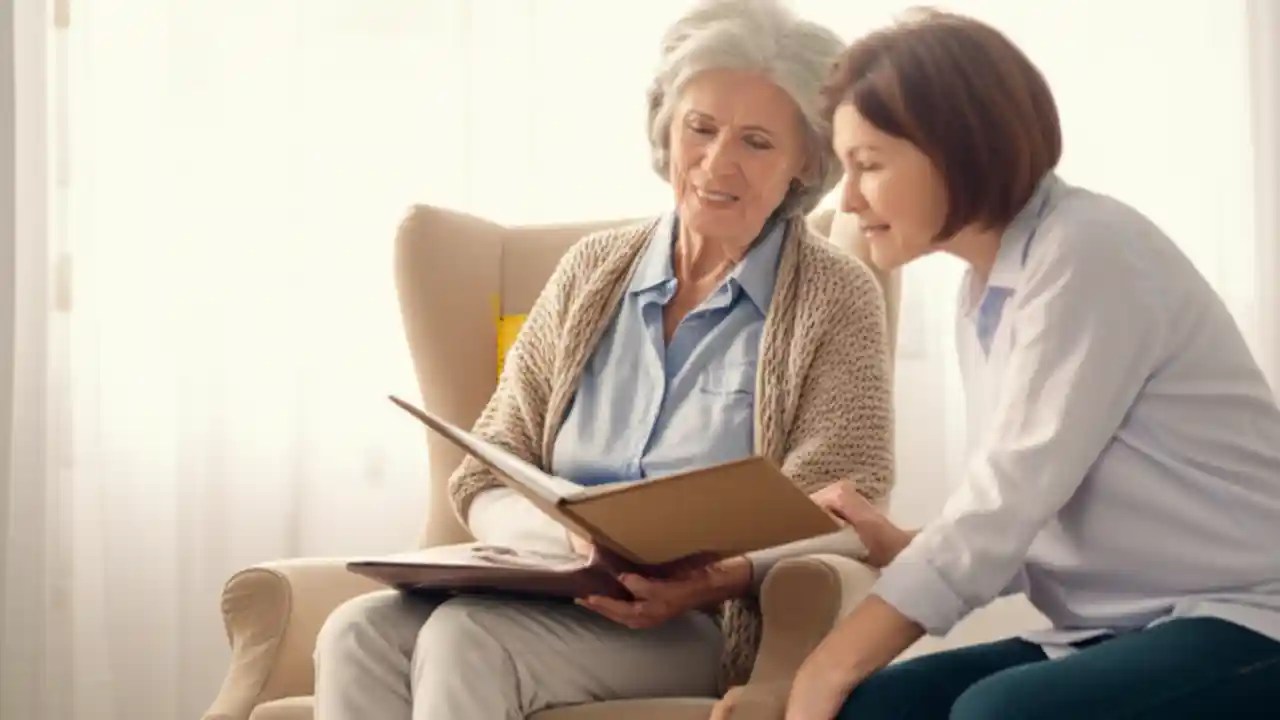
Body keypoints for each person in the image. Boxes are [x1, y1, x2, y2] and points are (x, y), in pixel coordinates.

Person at [312, 1, 895, 717]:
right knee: (354, 633)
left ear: (808, 158)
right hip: (551, 587)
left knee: (468, 639)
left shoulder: (837, 295)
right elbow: (486, 467)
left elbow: (846, 503)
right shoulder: (591, 271)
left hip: (696, 622)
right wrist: (564, 547)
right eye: (700, 129)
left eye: (756, 142)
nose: (717, 164)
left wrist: (715, 578)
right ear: (666, 128)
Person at [714, 9, 1280, 719]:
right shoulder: (985, 291)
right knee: (876, 709)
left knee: (993, 714)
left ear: (956, 149)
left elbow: (1004, 507)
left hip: (1244, 618)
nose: (849, 200)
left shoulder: (1088, 253)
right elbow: (1029, 513)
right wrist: (906, 547)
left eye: (869, 166)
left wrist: (823, 667)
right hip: (1110, 630)